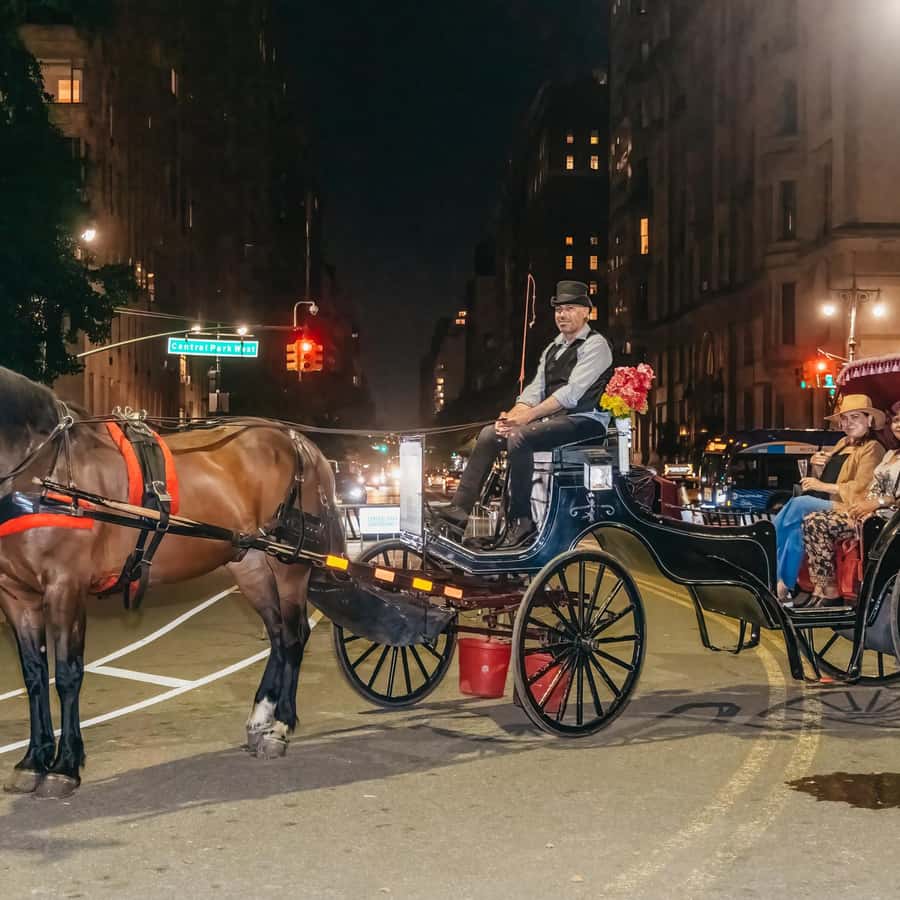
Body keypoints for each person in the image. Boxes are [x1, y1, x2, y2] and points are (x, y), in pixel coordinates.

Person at [439, 280, 613, 547]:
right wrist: (511, 416)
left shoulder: (596, 345)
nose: (562, 315)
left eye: (569, 308)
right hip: (557, 421)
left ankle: (522, 522)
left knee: (520, 437)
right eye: (558, 309)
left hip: (586, 421)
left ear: (586, 312)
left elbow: (571, 394)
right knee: (489, 434)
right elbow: (533, 391)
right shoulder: (553, 349)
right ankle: (457, 514)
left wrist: (526, 419)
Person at [774, 394, 886, 601]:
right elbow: (827, 480)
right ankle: (782, 585)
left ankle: (764, 541)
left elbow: (861, 487)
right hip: (828, 502)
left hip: (849, 506)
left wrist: (821, 484)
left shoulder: (873, 448)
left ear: (869, 420)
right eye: (845, 418)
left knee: (800, 503)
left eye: (855, 417)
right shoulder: (842, 443)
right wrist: (818, 469)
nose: (848, 423)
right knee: (795, 529)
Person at [798, 403, 900, 608]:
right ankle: (824, 587)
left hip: (890, 519)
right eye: (897, 420)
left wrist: (876, 503)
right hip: (868, 512)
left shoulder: (874, 448)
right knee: (811, 519)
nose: (899, 424)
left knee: (811, 516)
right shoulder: (891, 454)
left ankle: (820, 589)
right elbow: (871, 487)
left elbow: (885, 496)